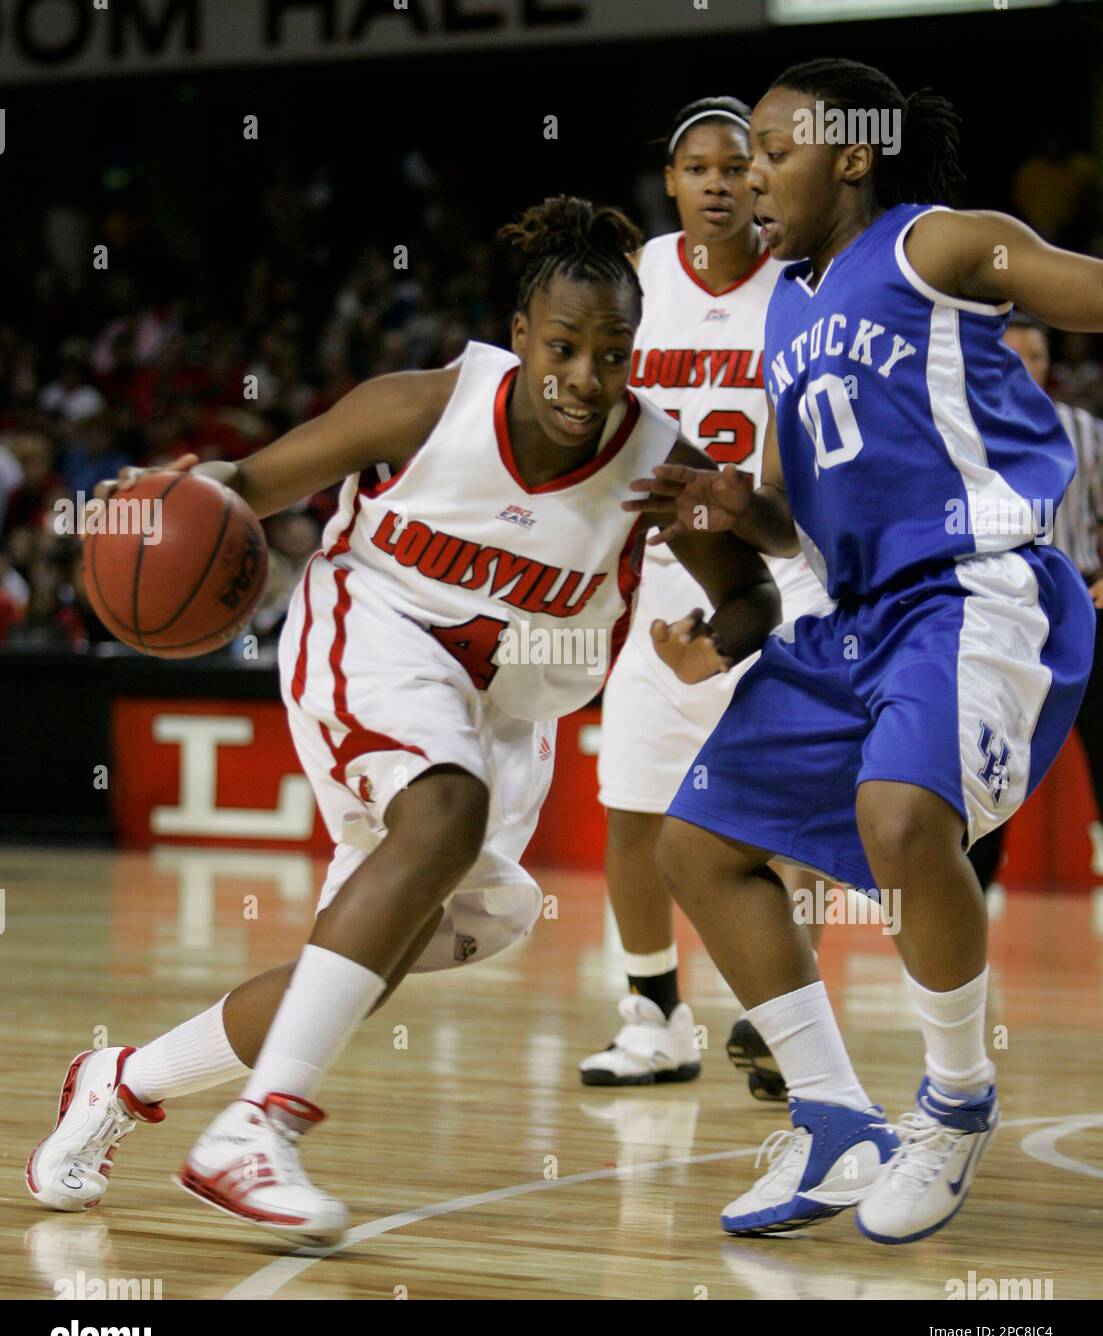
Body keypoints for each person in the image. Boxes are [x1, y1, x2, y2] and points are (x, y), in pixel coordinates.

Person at [27, 197, 782, 1249]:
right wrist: (136, 508)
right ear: (520, 334)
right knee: (443, 815)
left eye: (612, 354)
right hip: (371, 636)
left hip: (501, 718)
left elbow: (753, 589)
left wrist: (716, 630)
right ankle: (257, 1129)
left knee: (357, 965)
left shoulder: (656, 462)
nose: (583, 376)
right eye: (561, 346)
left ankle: (121, 1079)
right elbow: (241, 488)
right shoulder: (422, 406)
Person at [630, 59, 1097, 1244]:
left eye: (771, 150)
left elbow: (1078, 290)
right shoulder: (786, 306)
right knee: (695, 845)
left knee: (899, 821)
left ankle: (953, 1097)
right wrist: (737, 513)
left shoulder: (935, 245)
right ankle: (836, 1117)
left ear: (851, 153)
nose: (747, 175)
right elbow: (793, 513)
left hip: (973, 586)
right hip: (850, 615)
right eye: (733, 158)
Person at [583, 97, 827, 1098]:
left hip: (783, 567)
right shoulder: (636, 280)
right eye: (697, 167)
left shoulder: (804, 285)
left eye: (737, 166)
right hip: (661, 574)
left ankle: (784, 1020)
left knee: (785, 815)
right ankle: (652, 1016)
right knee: (630, 806)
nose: (719, 182)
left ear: (761, 180)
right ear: (671, 181)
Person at [968, 314, 1103, 891]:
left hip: (1078, 611)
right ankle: (973, 876)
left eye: (1040, 359)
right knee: (987, 752)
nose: (1030, 369)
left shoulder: (1085, 430)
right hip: (995, 612)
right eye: (1017, 357)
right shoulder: (963, 429)